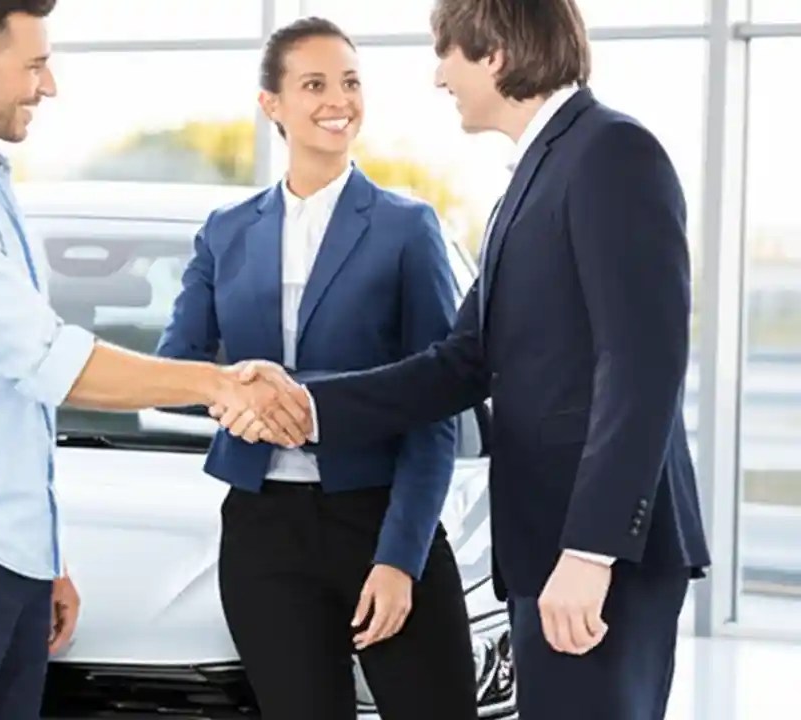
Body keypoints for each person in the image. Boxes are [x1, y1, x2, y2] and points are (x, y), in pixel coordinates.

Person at [218, 1, 710, 719]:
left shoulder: (611, 154)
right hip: (549, 549)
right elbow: (460, 363)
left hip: (595, 558)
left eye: (447, 52)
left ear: (495, 56)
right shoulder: (538, 171)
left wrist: (592, 551)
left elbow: (642, 368)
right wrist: (306, 404)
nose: (439, 74)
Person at [0, 2, 310, 718]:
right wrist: (216, 381)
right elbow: (51, 360)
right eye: (34, 64)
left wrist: (40, 556)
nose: (47, 86)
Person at [155, 17, 476, 720]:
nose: (340, 100)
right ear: (272, 104)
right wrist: (234, 391)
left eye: (351, 82)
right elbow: (174, 370)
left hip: (379, 515)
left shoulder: (406, 227)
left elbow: (436, 402)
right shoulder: (226, 231)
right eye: (315, 84)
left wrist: (400, 558)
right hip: (262, 532)